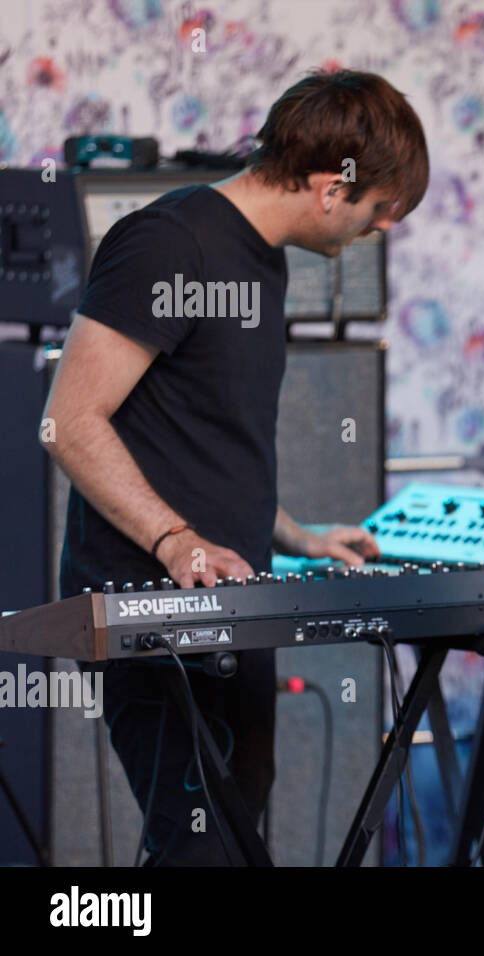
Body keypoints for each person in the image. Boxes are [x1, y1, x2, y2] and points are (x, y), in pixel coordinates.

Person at [42, 69, 429, 865]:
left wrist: (297, 535)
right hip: (149, 599)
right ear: (331, 188)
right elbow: (69, 422)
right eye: (383, 206)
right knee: (205, 844)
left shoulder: (263, 260)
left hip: (231, 594)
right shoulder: (169, 243)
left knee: (231, 831)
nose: (385, 226)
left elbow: (205, 444)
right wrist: (175, 540)